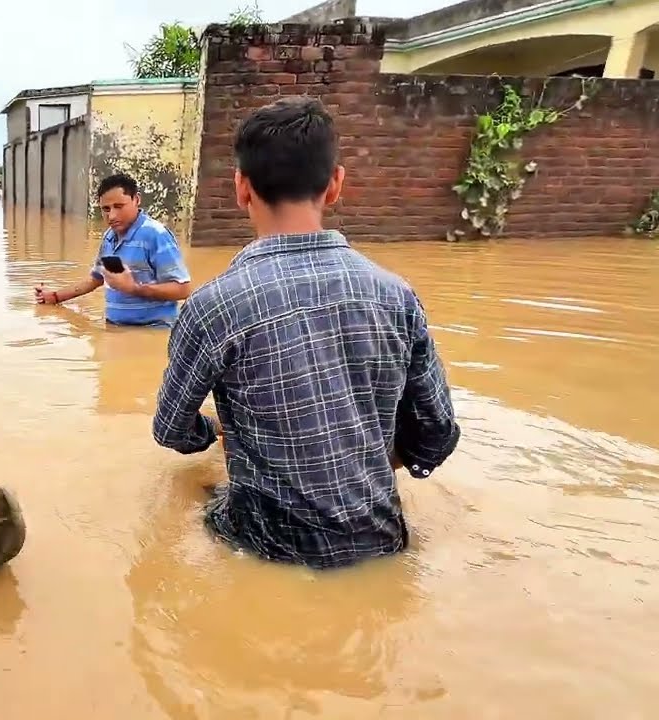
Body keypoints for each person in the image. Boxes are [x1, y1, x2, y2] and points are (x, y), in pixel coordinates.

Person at [150, 96, 461, 569]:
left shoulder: (212, 307)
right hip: (381, 538)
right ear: (335, 185)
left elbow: (171, 429)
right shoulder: (397, 295)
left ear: (241, 188)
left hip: (265, 547)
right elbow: (437, 432)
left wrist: (213, 430)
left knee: (187, 496)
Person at [33, 173, 192, 326]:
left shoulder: (155, 235)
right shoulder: (109, 237)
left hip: (151, 331)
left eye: (119, 206)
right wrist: (55, 296)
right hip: (115, 329)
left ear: (136, 200)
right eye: (106, 209)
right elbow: (96, 279)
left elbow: (183, 289)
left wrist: (134, 289)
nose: (112, 216)